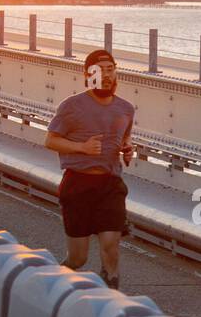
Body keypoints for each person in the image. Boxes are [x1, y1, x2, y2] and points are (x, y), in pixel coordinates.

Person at [45, 49, 135, 289]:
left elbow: (123, 138)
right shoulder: (72, 106)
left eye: (110, 69)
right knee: (78, 258)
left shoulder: (126, 109)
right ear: (87, 75)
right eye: (99, 70)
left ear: (116, 73)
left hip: (110, 184)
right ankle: (50, 287)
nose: (105, 75)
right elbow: (51, 140)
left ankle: (110, 299)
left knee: (111, 248)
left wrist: (127, 150)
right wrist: (82, 147)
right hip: (78, 184)